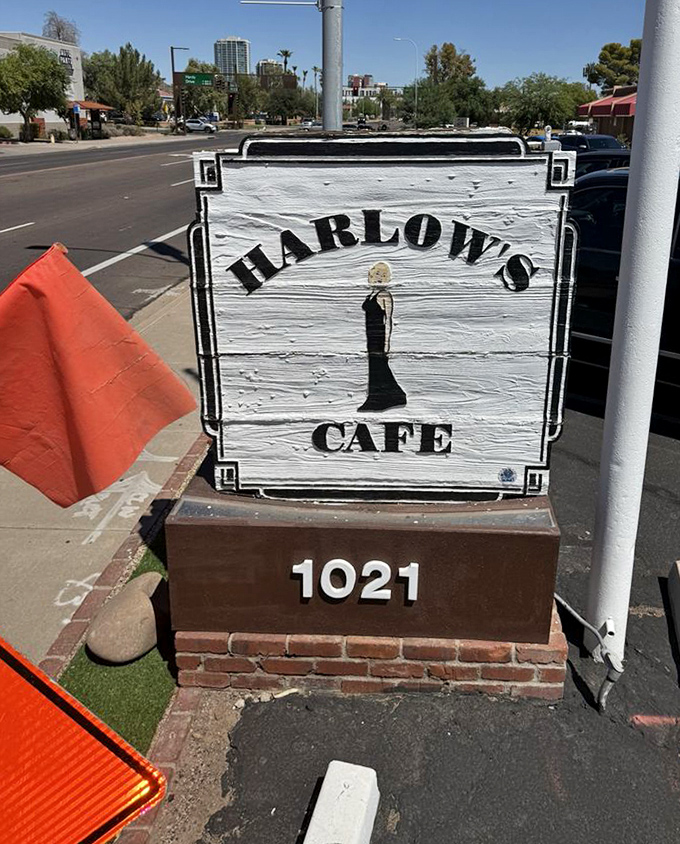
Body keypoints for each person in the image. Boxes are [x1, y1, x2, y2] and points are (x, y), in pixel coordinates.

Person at [357, 261, 407, 412]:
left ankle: (388, 397)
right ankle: (379, 396)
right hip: (370, 335)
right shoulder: (371, 294)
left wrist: (387, 343)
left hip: (379, 336)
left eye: (383, 275)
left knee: (380, 365)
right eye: (377, 274)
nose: (380, 277)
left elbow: (389, 320)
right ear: (371, 276)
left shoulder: (384, 295)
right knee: (375, 365)